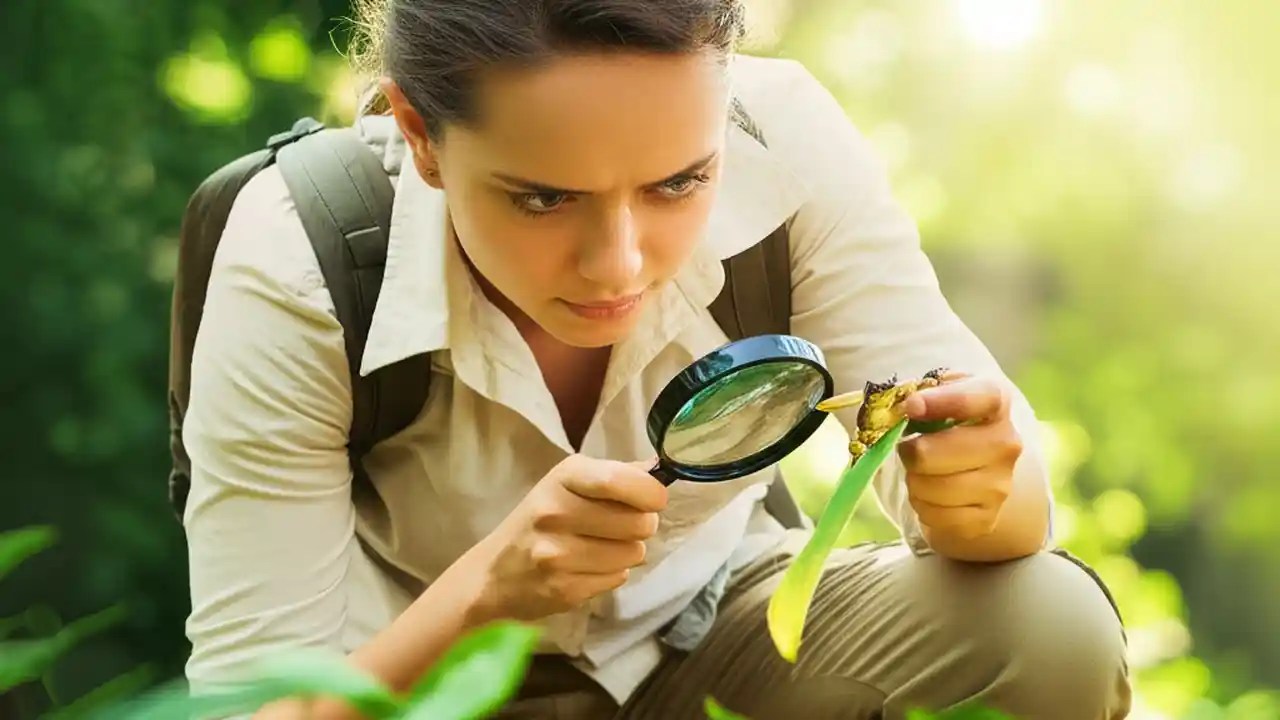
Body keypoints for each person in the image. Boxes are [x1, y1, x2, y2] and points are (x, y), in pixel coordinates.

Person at [180, 0, 1131, 717]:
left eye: (680, 181)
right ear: (422, 137)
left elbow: (1003, 528)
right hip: (422, 680)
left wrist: (980, 486)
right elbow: (257, 705)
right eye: (544, 198)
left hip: (717, 626)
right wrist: (483, 596)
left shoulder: (788, 143)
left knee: (1050, 629)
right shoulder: (302, 257)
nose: (618, 265)